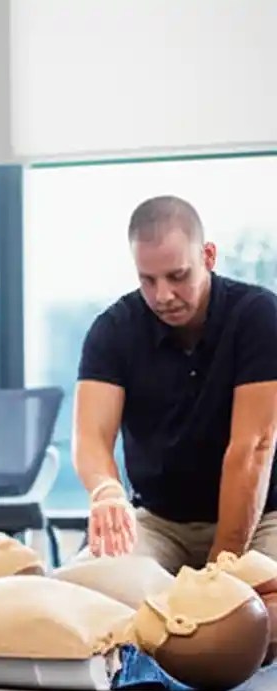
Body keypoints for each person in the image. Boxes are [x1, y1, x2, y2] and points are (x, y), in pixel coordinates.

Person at [74, 195, 277, 573]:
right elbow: (91, 436)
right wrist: (106, 489)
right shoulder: (113, 329)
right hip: (159, 522)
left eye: (177, 276)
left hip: (264, 515)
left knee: (257, 610)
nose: (162, 295)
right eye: (147, 280)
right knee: (87, 584)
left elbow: (253, 449)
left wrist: (220, 570)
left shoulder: (259, 316)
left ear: (209, 256)